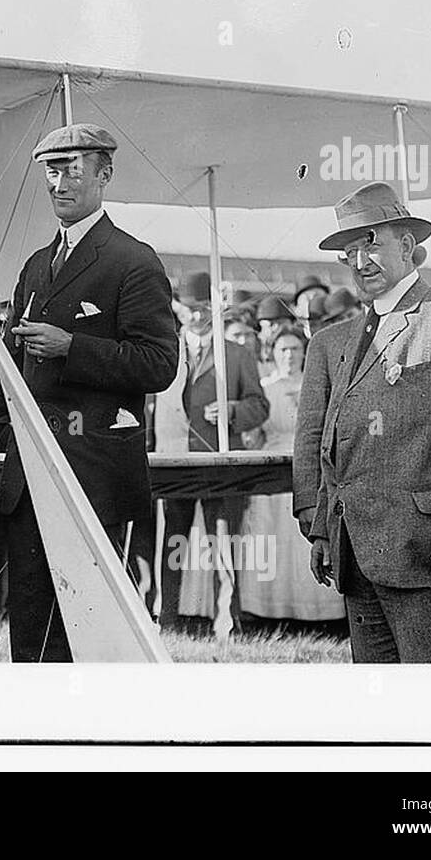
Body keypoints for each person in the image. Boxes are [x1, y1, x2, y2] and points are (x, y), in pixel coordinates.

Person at [0, 123, 179, 662]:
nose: (59, 183)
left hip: (92, 477)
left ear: (104, 175)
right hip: (30, 478)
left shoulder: (133, 260)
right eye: (52, 171)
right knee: (32, 629)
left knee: (91, 631)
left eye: (73, 170)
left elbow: (159, 364)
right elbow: (6, 373)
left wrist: (72, 347)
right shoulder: (35, 266)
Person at [295, 182, 431, 663]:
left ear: (407, 245)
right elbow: (332, 439)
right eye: (349, 252)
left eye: (371, 244)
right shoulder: (349, 336)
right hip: (356, 556)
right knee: (378, 699)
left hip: (425, 554)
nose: (360, 262)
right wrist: (324, 528)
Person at [159, 270, 270, 633]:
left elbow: (260, 406)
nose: (198, 315)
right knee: (174, 543)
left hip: (220, 463)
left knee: (224, 543)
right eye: (191, 307)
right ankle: (167, 621)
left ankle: (227, 624)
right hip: (174, 461)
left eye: (205, 307)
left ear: (217, 307)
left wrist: (233, 410)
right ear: (178, 307)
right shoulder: (164, 351)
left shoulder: (235, 354)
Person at [239, 325, 346, 627]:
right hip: (273, 468)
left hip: (311, 469)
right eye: (283, 349)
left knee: (307, 539)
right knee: (273, 536)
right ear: (272, 353)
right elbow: (255, 435)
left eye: (295, 349)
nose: (289, 355)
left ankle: (317, 612)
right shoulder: (265, 387)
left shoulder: (319, 385)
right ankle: (268, 610)